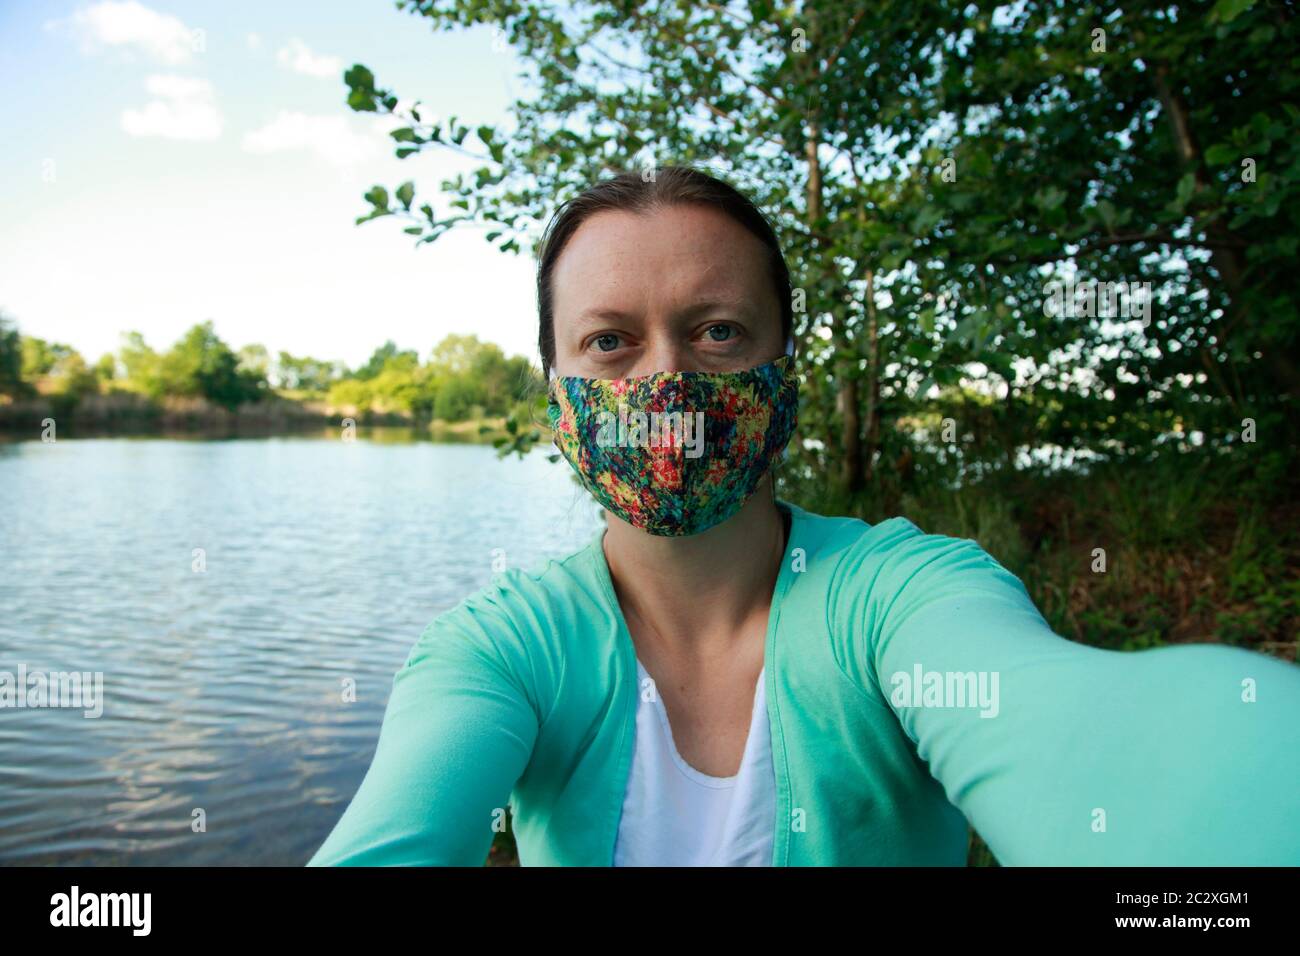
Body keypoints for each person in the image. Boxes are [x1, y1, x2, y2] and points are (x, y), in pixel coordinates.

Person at [307, 165, 1300, 866]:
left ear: (784, 377)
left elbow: (1094, 737)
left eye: (717, 330)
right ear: (556, 396)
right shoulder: (499, 651)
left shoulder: (901, 597)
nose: (664, 378)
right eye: (610, 341)